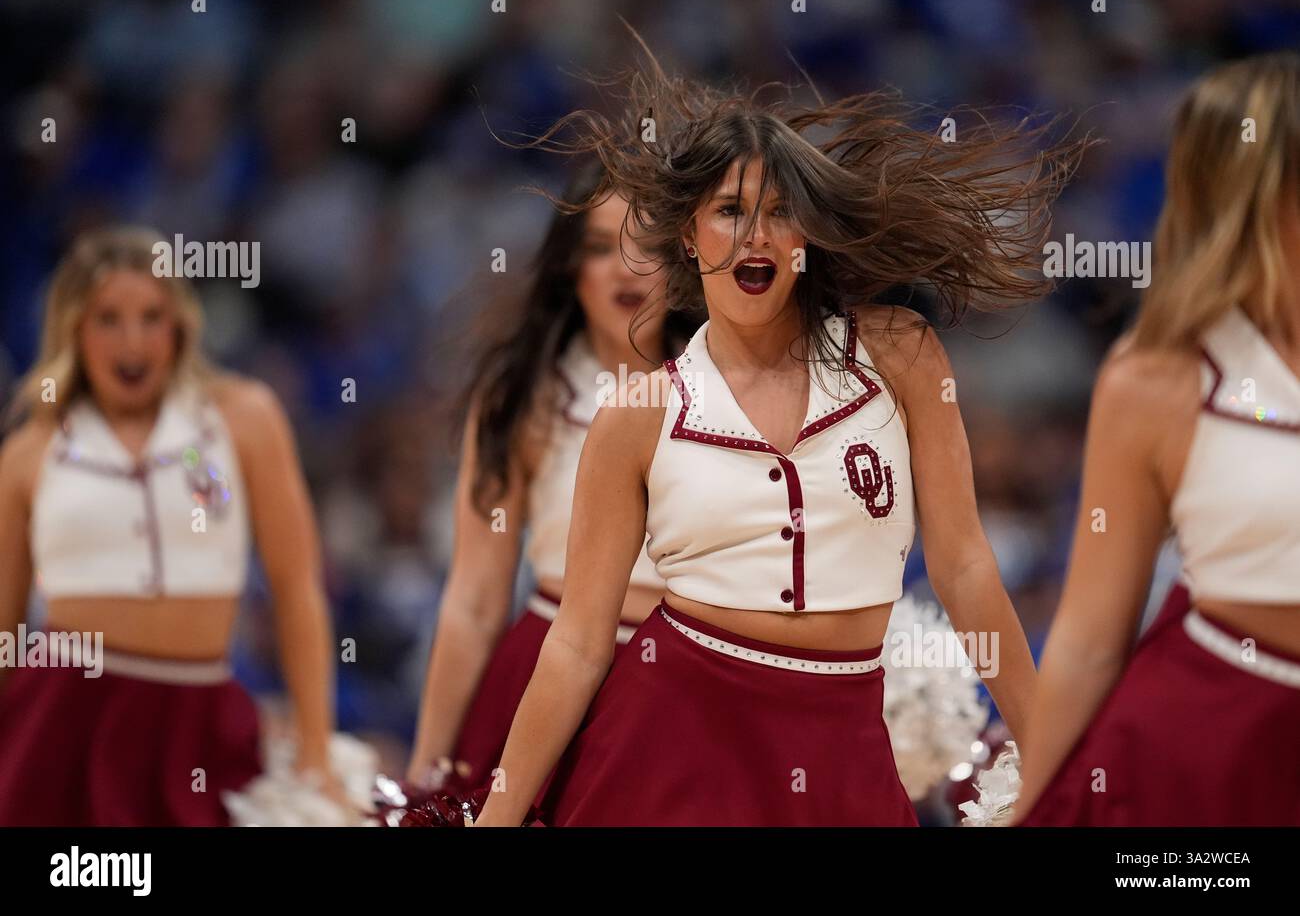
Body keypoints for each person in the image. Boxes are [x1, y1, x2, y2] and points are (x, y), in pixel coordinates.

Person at [472, 45, 1089, 826]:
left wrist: (1050, 750)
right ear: (689, 239)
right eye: (729, 210)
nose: (755, 236)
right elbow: (579, 643)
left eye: (779, 211)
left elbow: (964, 565)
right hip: (671, 746)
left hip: (843, 752)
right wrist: (496, 818)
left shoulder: (897, 355)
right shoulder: (640, 412)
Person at [1015, 51, 1300, 826]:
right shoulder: (1157, 378)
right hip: (1206, 759)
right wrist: (1028, 807)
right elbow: (1088, 640)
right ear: (1257, 199)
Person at [0, 226, 340, 825]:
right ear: (74, 330)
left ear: (179, 325)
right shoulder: (33, 450)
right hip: (59, 718)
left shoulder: (241, 418)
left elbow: (297, 590)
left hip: (199, 718)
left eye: (151, 316)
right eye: (107, 318)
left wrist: (316, 752)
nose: (132, 340)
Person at [405, 159, 698, 796]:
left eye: (648, 246)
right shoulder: (526, 396)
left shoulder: (731, 392)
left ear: (685, 262)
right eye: (600, 247)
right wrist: (426, 765)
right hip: (544, 669)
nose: (625, 266)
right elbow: (476, 600)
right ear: (570, 268)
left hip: (689, 682)